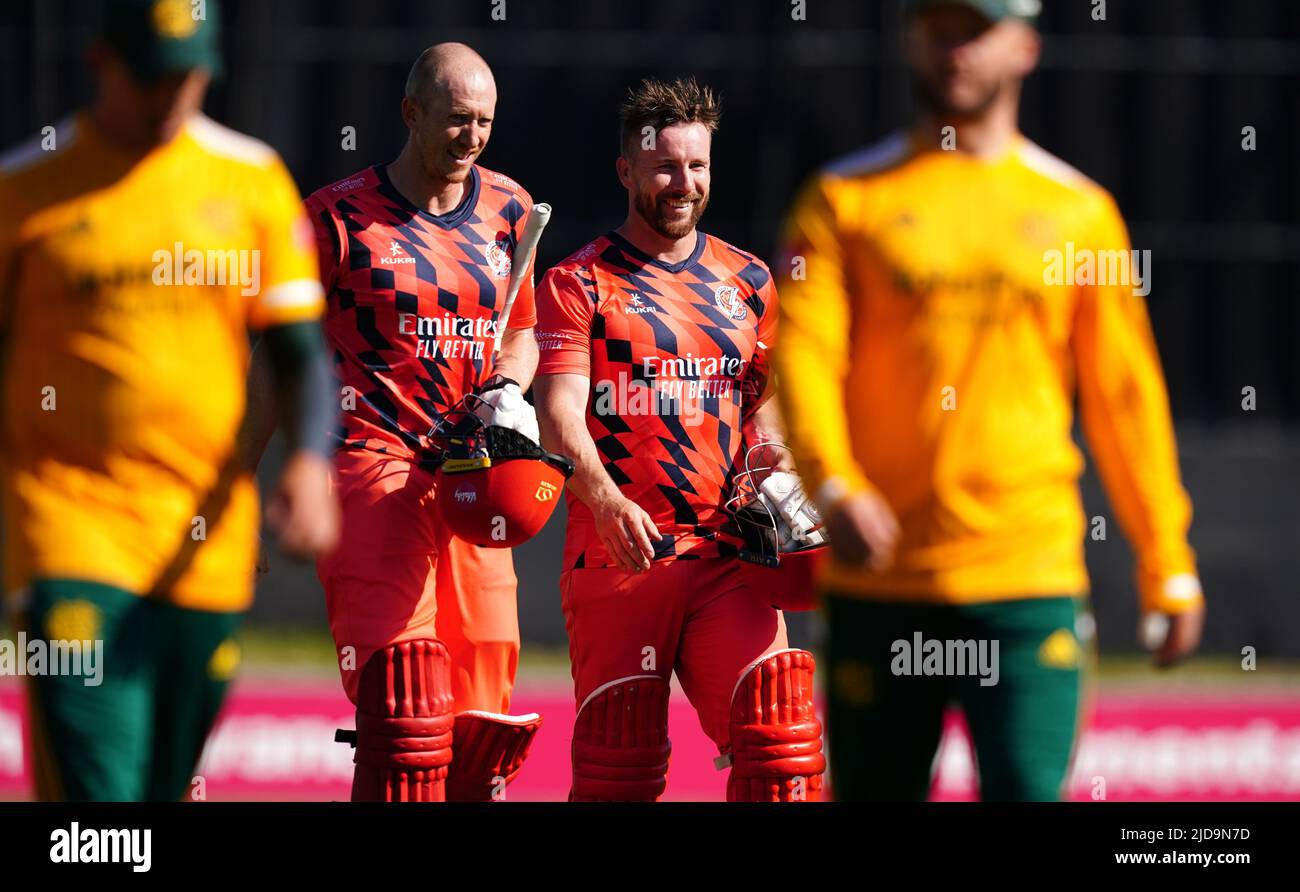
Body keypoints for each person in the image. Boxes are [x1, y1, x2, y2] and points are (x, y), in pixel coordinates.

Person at [773, 0, 1205, 801]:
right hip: (880, 585)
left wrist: (1166, 559)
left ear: (1026, 47)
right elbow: (803, 356)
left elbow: (1124, 397)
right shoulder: (842, 201)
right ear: (910, 39)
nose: (954, 49)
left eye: (977, 29)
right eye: (938, 28)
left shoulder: (1080, 213)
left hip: (1026, 581)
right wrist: (833, 484)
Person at [0, 0, 338, 801]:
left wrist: (310, 464)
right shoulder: (26, 191)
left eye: (188, 78)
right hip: (68, 528)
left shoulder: (250, 182)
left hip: (203, 539)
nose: (170, 98)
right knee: (99, 793)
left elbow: (299, 352)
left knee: (159, 790)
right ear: (101, 64)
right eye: (152, 76)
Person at [244, 42, 546, 802]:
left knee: (484, 727)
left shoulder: (511, 209)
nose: (471, 138)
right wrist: (233, 491)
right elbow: (278, 366)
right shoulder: (335, 218)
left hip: (476, 480)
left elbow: (525, 330)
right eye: (455, 120)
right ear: (411, 115)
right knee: (405, 710)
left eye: (484, 123)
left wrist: (511, 385)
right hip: (371, 472)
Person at [532, 77, 826, 802]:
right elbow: (558, 414)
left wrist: (780, 475)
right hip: (619, 555)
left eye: (696, 166)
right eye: (664, 166)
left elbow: (766, 408)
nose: (682, 183)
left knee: (782, 752)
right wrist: (603, 500)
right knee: (619, 774)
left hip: (731, 556)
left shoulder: (750, 281)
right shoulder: (578, 282)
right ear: (626, 171)